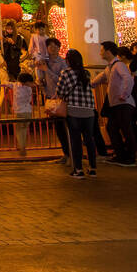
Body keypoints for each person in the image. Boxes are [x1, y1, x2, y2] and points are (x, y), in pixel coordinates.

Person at [92, 42, 137, 166]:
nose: (100, 52)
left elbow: (128, 79)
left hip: (123, 103)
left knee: (125, 129)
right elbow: (96, 81)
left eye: (102, 50)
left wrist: (124, 94)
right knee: (112, 128)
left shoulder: (119, 65)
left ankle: (130, 157)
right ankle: (121, 155)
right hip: (116, 105)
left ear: (108, 51)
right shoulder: (109, 68)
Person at [56, 49, 98, 178]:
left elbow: (60, 91)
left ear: (68, 60)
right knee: (89, 139)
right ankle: (92, 168)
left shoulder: (66, 73)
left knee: (75, 140)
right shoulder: (86, 73)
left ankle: (78, 169)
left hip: (74, 109)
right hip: (89, 110)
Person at [37, 36, 72, 166]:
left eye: (55, 46)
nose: (52, 48)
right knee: (58, 128)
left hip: (60, 98)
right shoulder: (44, 62)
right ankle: (65, 154)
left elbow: (61, 80)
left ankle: (70, 154)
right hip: (50, 97)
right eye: (50, 46)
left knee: (65, 127)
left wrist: (47, 71)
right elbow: (42, 78)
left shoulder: (62, 63)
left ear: (59, 47)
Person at [12, 71, 35, 155]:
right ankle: (23, 146)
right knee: (24, 130)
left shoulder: (16, 86)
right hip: (28, 111)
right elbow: (29, 100)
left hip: (19, 111)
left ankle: (22, 148)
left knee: (18, 130)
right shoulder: (29, 88)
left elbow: (7, 83)